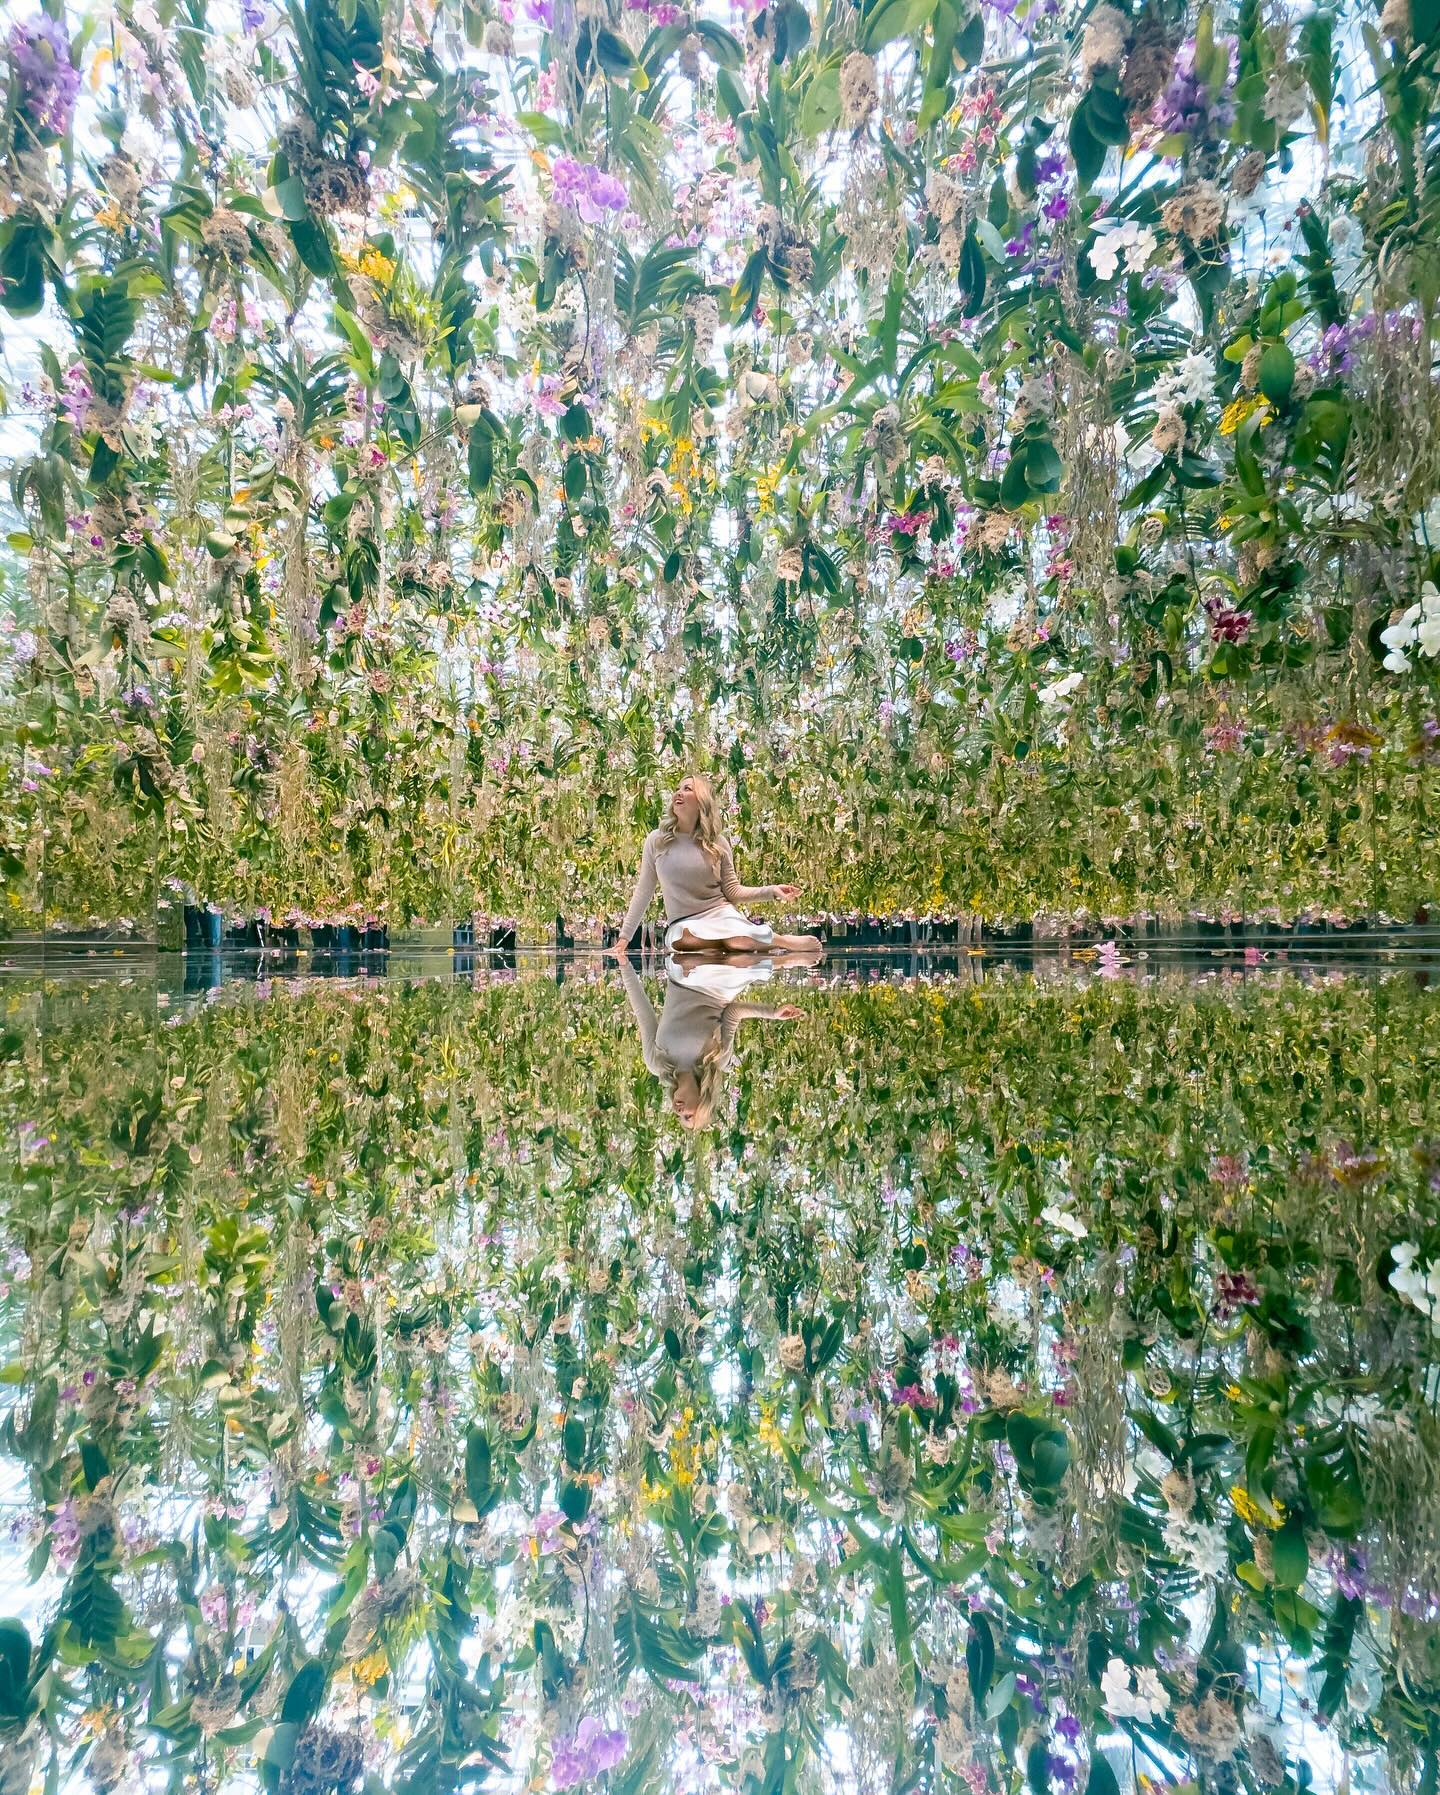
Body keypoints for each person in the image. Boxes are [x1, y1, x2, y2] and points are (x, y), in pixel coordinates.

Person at [610, 775, 823, 956]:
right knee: (682, 940)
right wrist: (623, 939)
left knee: (738, 941)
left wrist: (772, 891)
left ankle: (781, 941)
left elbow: (733, 891)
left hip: (720, 914)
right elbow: (643, 891)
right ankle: (733, 942)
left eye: (687, 789)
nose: (678, 793)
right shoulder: (656, 840)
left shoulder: (717, 843)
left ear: (701, 801)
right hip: (683, 924)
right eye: (677, 789)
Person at [616, 951, 803, 1129]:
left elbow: (643, 1014)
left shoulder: (657, 1065)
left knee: (686, 938)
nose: (679, 1111)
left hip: (683, 971)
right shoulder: (717, 1061)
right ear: (703, 1103)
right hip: (719, 983)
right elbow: (733, 1013)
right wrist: (772, 1013)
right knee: (745, 948)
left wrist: (624, 966)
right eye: (688, 1116)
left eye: (679, 1117)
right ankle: (792, 950)